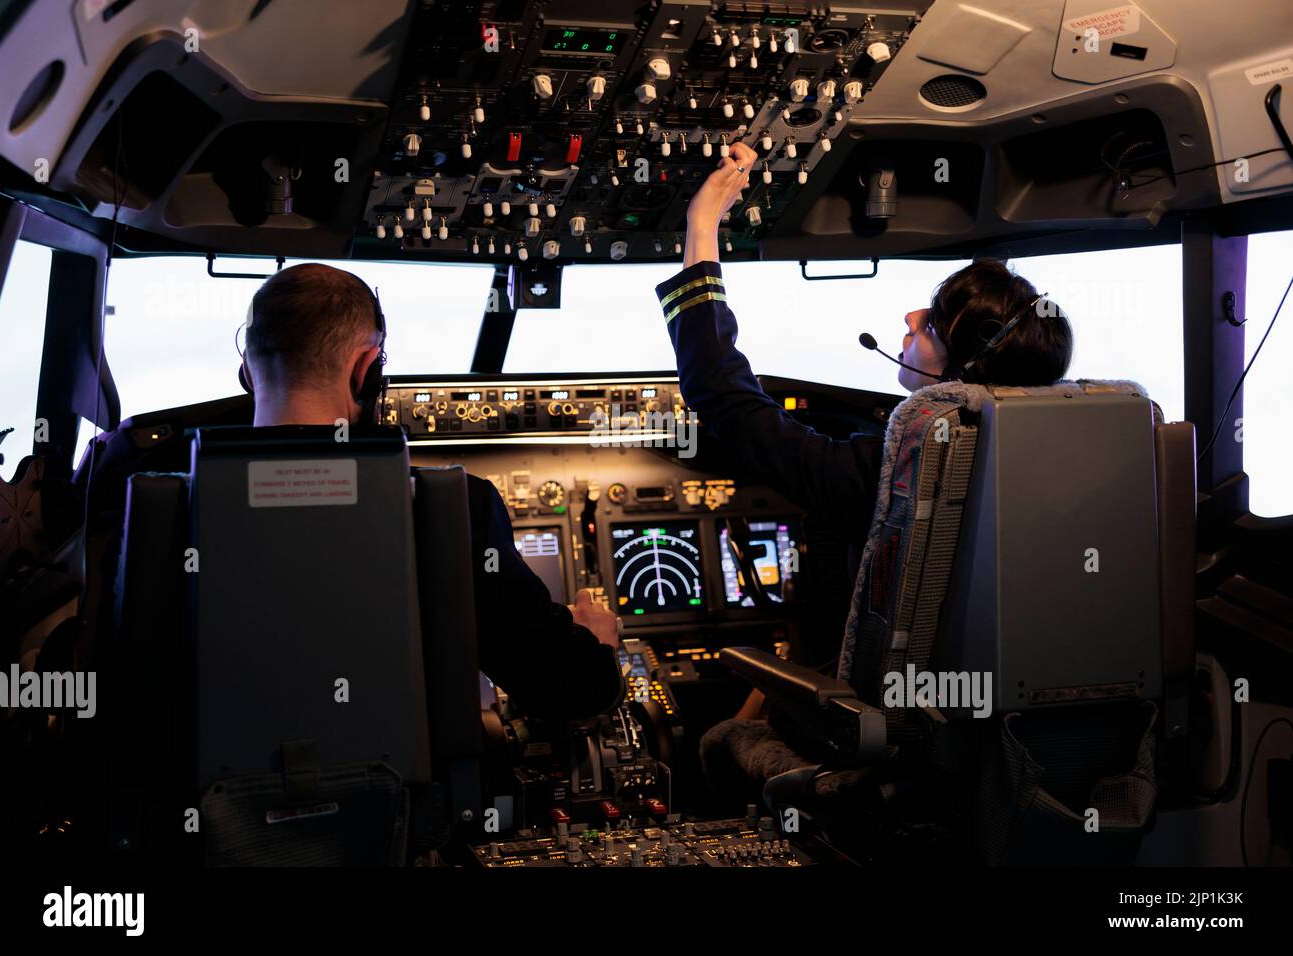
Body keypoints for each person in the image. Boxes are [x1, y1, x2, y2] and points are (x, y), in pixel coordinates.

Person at [658, 142, 1073, 713]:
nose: (910, 317)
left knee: (728, 725)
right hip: (1012, 721)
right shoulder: (1066, 468)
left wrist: (702, 226)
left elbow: (721, 393)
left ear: (961, 369)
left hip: (896, 729)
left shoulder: (899, 474)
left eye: (932, 318)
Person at [238, 263, 626, 720]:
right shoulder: (448, 508)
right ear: (366, 370)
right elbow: (573, 690)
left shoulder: (171, 502)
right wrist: (595, 639)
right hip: (402, 789)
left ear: (247, 371)